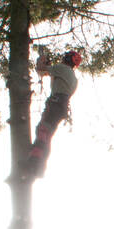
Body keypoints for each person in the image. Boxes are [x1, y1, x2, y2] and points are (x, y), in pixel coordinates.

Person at [26, 48, 81, 177]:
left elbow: (40, 69)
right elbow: (52, 74)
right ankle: (40, 168)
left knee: (43, 130)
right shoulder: (73, 77)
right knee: (47, 136)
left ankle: (34, 163)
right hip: (62, 106)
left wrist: (42, 58)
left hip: (55, 103)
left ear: (67, 59)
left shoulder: (62, 68)